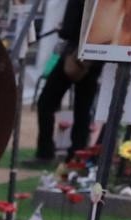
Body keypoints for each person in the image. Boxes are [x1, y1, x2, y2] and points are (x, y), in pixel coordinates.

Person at [33, 0, 98, 164]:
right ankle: (76, 154)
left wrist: (64, 30)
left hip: (75, 53)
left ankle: (45, 151)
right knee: (83, 109)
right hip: (96, 54)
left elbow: (69, 28)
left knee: (46, 103)